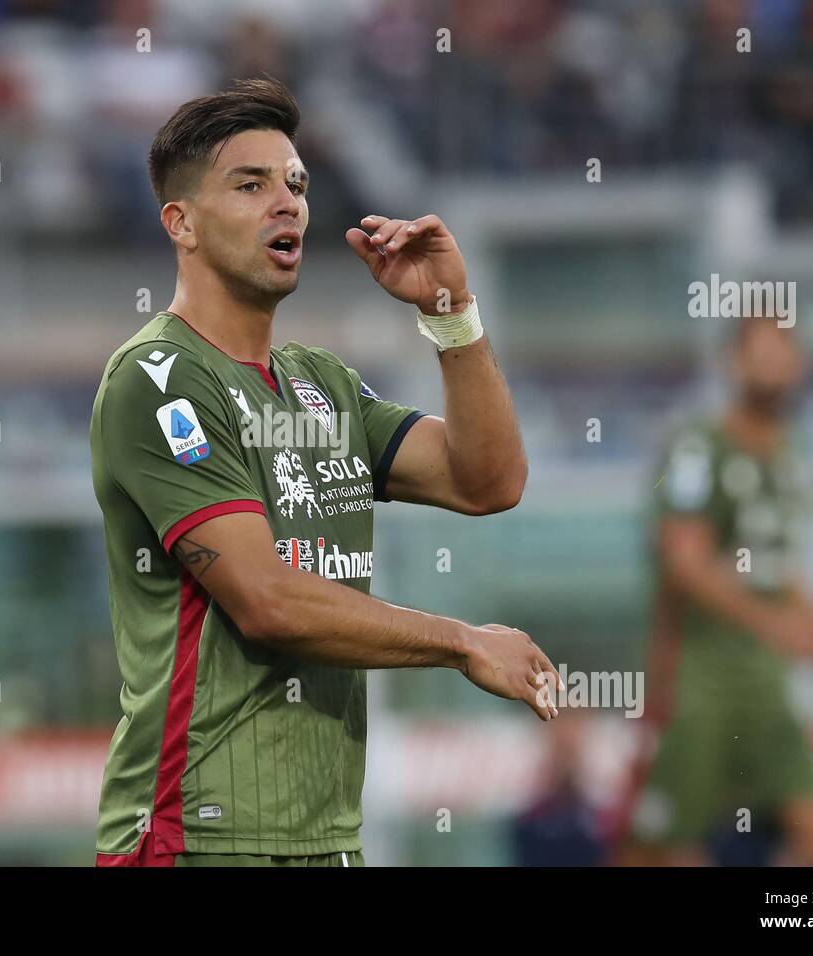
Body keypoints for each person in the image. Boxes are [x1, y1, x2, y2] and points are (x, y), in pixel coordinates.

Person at [89, 77, 558, 867]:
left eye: (297, 184)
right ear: (182, 222)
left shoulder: (321, 384)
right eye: (251, 184)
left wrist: (451, 314)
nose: (289, 203)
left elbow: (488, 480)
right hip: (195, 834)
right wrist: (461, 642)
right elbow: (268, 601)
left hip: (327, 838)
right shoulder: (159, 379)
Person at [618, 318, 813, 866]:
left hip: (767, 682)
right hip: (701, 676)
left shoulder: (792, 456)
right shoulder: (698, 444)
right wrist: (773, 625)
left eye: (781, 353)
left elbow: (782, 573)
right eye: (758, 354)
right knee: (657, 848)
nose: (772, 367)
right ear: (732, 364)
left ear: (799, 363)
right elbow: (683, 561)